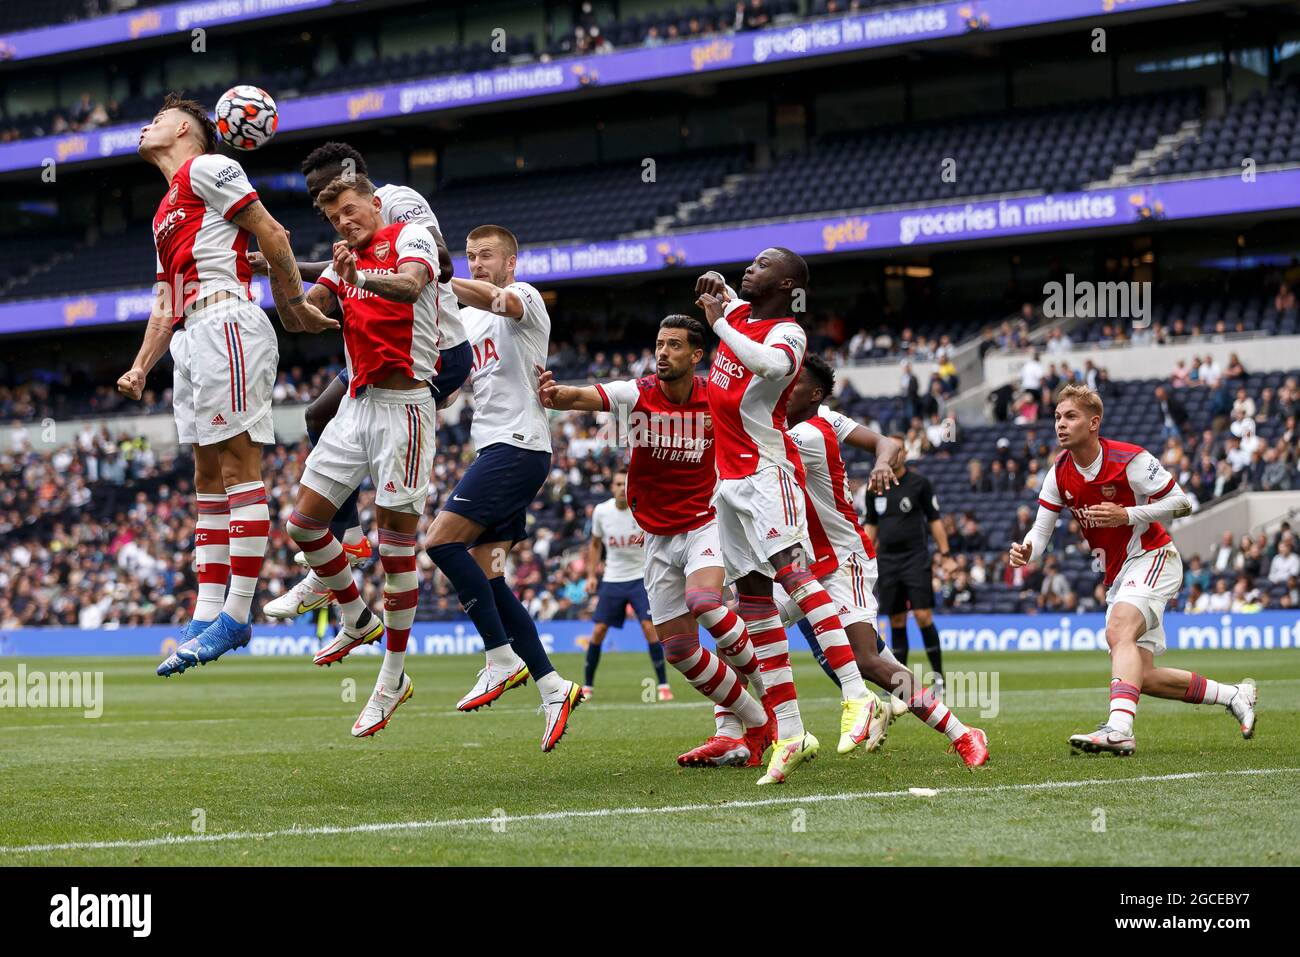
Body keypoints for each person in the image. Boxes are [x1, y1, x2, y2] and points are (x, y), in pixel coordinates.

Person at [120, 93, 336, 676]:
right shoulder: (166, 207)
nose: (148, 124)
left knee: (239, 468)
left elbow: (274, 233)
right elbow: (166, 300)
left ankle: (236, 615)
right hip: (191, 336)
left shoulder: (210, 167)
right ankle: (206, 611)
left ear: (187, 129)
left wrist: (292, 304)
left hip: (227, 323)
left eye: (159, 117)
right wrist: (142, 365)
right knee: (205, 476)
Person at [538, 315, 775, 769]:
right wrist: (554, 395)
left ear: (696, 355)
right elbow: (585, 396)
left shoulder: (718, 398)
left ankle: (769, 695)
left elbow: (768, 399)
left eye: (674, 345)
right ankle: (755, 719)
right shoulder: (639, 394)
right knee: (680, 650)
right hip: (657, 538)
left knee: (705, 601)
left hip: (707, 523)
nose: (662, 352)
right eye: (659, 344)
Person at [258, 142, 469, 621]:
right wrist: (281, 265)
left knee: (384, 427)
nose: (324, 205)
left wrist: (352, 270)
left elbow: (443, 263)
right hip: (378, 354)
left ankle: (345, 565)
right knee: (321, 413)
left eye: (328, 193)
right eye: (320, 201)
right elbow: (317, 301)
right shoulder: (351, 237)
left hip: (438, 349)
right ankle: (346, 544)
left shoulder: (399, 203)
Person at [695, 248, 869, 785]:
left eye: (763, 264)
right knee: (752, 603)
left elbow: (770, 367)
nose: (752, 267)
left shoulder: (788, 333)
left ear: (786, 282)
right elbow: (723, 299)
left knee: (796, 576)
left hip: (767, 473)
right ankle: (790, 732)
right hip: (729, 484)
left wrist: (721, 319)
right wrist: (719, 290)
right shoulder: (742, 315)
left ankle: (859, 696)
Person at [1010, 384, 1257, 755]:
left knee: (1118, 629)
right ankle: (1234, 695)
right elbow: (1041, 533)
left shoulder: (1129, 459)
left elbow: (1182, 502)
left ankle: (1120, 729)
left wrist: (1127, 514)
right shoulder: (1058, 473)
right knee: (1143, 676)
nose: (1060, 424)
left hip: (1155, 556)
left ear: (1094, 423)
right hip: (1119, 574)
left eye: (1070, 416)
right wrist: (1027, 550)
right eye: (1058, 417)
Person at [281, 173, 440, 735]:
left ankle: (392, 678)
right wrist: (276, 269)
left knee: (396, 551)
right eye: (334, 218)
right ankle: (355, 616)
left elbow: (411, 286)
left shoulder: (409, 235)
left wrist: (358, 275)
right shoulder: (342, 259)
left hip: (405, 406)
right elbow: (306, 314)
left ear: (375, 203)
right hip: (357, 404)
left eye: (351, 211)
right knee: (302, 524)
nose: (344, 223)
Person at [776, 355, 988, 766]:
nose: (784, 387)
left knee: (866, 660)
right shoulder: (826, 420)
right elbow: (886, 443)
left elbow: (750, 454)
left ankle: (963, 734)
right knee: (742, 629)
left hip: (841, 563)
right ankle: (757, 733)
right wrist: (879, 461)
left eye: (794, 383)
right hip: (797, 561)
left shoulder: (812, 432)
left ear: (815, 394)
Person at [423, 224, 582, 752]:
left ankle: (499, 655)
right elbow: (448, 386)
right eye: (469, 257)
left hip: (519, 447)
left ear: (510, 261)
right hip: (495, 449)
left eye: (486, 256)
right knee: (490, 578)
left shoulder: (526, 297)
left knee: (440, 542)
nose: (477, 263)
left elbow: (498, 300)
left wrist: (439, 277)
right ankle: (553, 687)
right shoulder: (466, 320)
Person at [861, 440, 955, 698]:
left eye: (899, 449)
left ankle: (939, 679)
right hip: (888, 561)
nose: (894, 454)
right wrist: (860, 556)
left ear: (904, 453)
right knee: (896, 620)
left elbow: (934, 521)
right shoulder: (875, 487)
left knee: (923, 616)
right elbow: (871, 525)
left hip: (916, 559)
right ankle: (899, 683)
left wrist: (946, 555)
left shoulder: (919, 484)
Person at [580, 471, 672, 702]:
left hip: (640, 576)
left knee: (648, 627)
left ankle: (662, 685)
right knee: (599, 630)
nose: (622, 488)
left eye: (626, 484)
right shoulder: (602, 511)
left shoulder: (641, 507)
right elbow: (594, 544)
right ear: (612, 487)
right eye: (618, 484)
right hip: (612, 577)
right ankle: (588, 685)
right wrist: (591, 575)